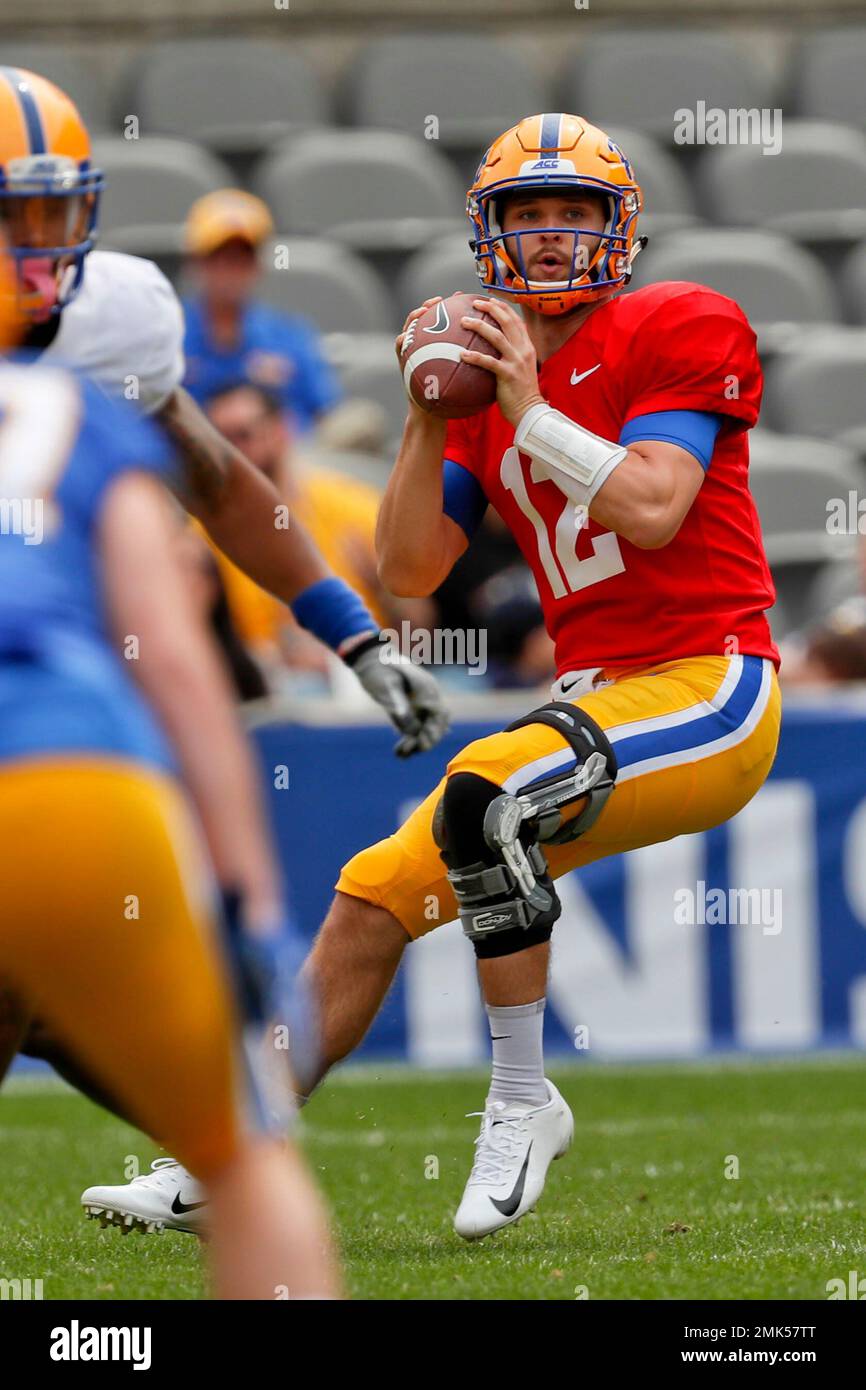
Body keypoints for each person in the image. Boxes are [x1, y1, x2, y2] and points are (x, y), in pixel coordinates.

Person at [89, 112, 783, 1242]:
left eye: (574, 213)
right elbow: (410, 564)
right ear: (488, 231)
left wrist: (528, 411)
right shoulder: (477, 391)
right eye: (527, 213)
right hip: (595, 695)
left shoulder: (677, 320)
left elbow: (653, 508)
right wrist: (425, 415)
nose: (551, 235)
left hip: (709, 683)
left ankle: (521, 1098)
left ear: (618, 229)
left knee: (482, 791)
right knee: (370, 896)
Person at [0, 350, 340, 1298]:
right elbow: (181, 675)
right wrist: (254, 905)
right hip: (68, 777)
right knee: (243, 1155)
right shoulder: (79, 413)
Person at [0, 65, 447, 757]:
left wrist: (354, 636)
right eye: (8, 216)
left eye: (46, 213)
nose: (32, 251)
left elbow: (219, 483)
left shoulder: (117, 316)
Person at [202, 381, 434, 681]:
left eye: (243, 435)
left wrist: (384, 589)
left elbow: (421, 634)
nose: (232, 451)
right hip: (259, 685)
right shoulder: (202, 533)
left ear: (282, 428)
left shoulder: (356, 508)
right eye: (220, 440)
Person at [181, 189, 341, 435]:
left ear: (257, 265)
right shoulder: (169, 339)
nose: (229, 272)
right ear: (196, 263)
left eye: (241, 259)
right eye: (218, 258)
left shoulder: (291, 336)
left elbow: (326, 413)